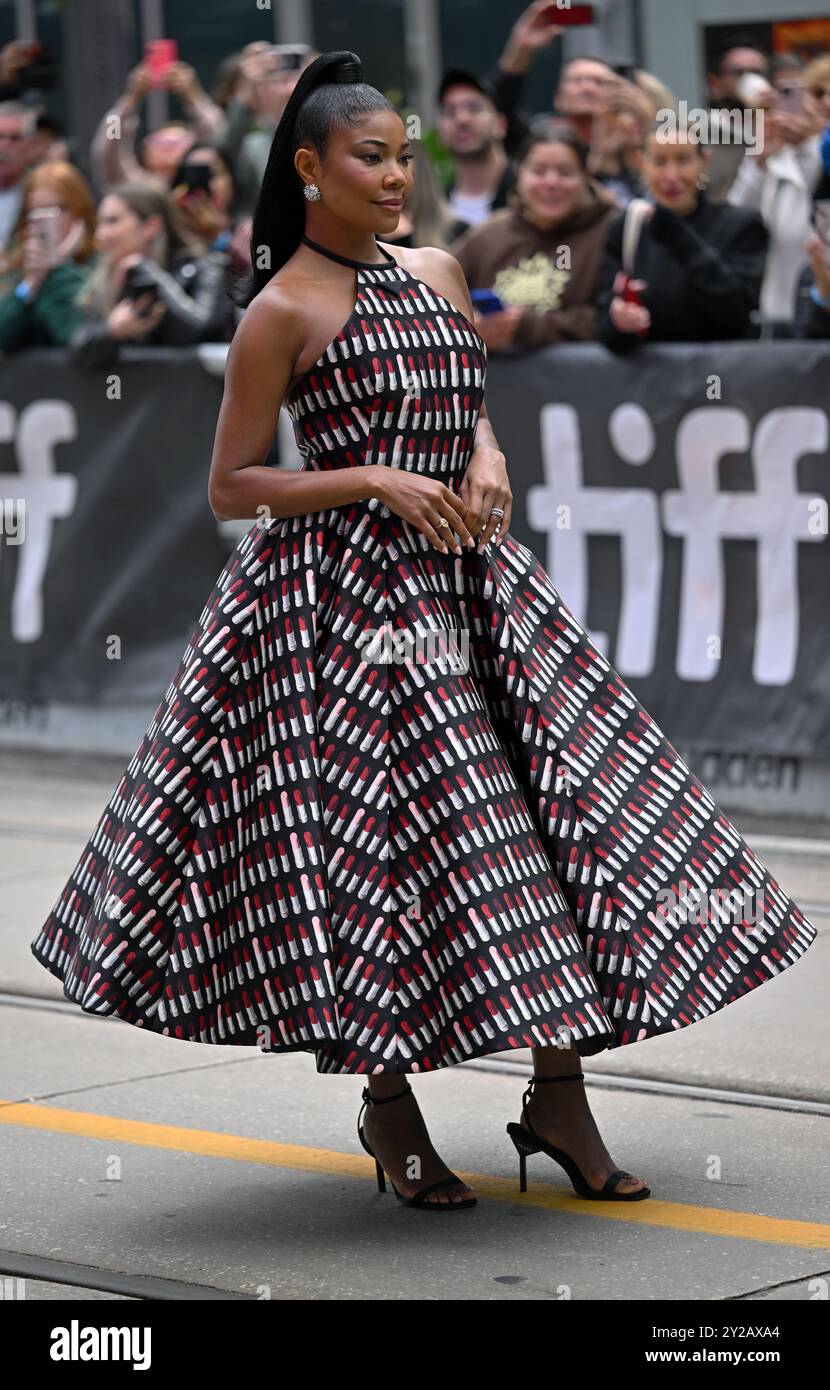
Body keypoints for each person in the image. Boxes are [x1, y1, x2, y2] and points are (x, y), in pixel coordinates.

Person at [30, 51, 816, 1214]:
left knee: (559, 829)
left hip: (475, 590)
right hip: (342, 616)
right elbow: (233, 486)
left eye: (406, 156)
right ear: (308, 168)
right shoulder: (277, 310)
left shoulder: (442, 269)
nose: (399, 176)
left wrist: (483, 458)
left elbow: (469, 409)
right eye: (372, 157)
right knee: (382, 855)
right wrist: (373, 481)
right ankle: (388, 1106)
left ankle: (558, 1097)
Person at [596, 119, 768, 351]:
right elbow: (604, 322)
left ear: (704, 161)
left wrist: (681, 239)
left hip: (722, 377)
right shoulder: (625, 228)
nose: (671, 176)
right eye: (659, 162)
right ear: (640, 163)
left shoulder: (740, 225)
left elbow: (736, 312)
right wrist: (621, 323)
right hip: (647, 381)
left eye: (683, 160)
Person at [452, 123, 617, 348]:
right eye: (538, 171)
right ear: (518, 174)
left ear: (585, 176)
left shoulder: (612, 229)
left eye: (565, 172)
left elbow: (613, 318)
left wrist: (529, 328)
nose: (551, 183)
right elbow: (433, 293)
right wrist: (467, 324)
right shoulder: (490, 233)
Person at [70, 182, 230, 366]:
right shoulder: (101, 280)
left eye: (112, 221)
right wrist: (111, 332)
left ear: (151, 226)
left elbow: (201, 330)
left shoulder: (206, 266)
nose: (100, 234)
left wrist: (150, 274)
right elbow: (75, 348)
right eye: (100, 223)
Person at [726, 69, 824, 324]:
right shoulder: (779, 160)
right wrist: (758, 160)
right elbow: (734, 223)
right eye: (816, 94)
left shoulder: (808, 156)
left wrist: (809, 146)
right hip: (780, 317)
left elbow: (819, 209)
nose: (823, 102)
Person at [0, 160, 96, 350]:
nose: (45, 222)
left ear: (79, 209)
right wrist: (31, 283)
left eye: (57, 210)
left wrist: (60, 265)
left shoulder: (99, 261)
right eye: (35, 212)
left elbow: (73, 332)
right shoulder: (18, 266)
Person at [90, 60, 226, 194]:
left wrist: (195, 97)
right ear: (145, 153)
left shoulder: (208, 187)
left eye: (178, 142)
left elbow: (222, 138)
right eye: (159, 142)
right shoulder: (133, 186)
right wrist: (129, 100)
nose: (168, 146)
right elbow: (106, 150)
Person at [436, 69, 513, 229]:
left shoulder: (529, 194)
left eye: (474, 108)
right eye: (450, 112)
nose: (462, 119)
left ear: (501, 125)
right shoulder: (434, 207)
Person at [704, 36, 769, 200]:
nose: (750, 80)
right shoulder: (701, 136)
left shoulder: (781, 130)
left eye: (757, 73)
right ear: (716, 82)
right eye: (738, 73)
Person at [0, 101, 36, 261]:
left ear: (30, 145)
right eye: (0, 137)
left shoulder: (40, 192)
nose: (4, 146)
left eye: (15, 138)